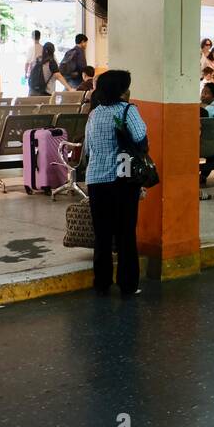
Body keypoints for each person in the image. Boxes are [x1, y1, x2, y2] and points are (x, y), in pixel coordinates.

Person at [83, 69, 146, 299]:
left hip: (96, 180)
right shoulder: (128, 111)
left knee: (102, 234)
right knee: (125, 234)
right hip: (123, 179)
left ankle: (101, 283)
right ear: (121, 90)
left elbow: (88, 149)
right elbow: (140, 138)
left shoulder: (94, 114)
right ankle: (128, 284)